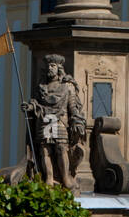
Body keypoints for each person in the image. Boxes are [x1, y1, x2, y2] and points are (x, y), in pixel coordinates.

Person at [22, 54, 87, 189]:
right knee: (45, 150)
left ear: (59, 68)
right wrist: (29, 107)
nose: (49, 68)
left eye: (53, 66)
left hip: (59, 120)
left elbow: (72, 106)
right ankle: (49, 178)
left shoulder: (67, 86)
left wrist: (76, 120)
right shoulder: (41, 87)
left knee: (61, 148)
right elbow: (36, 103)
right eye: (48, 66)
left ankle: (65, 177)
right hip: (45, 120)